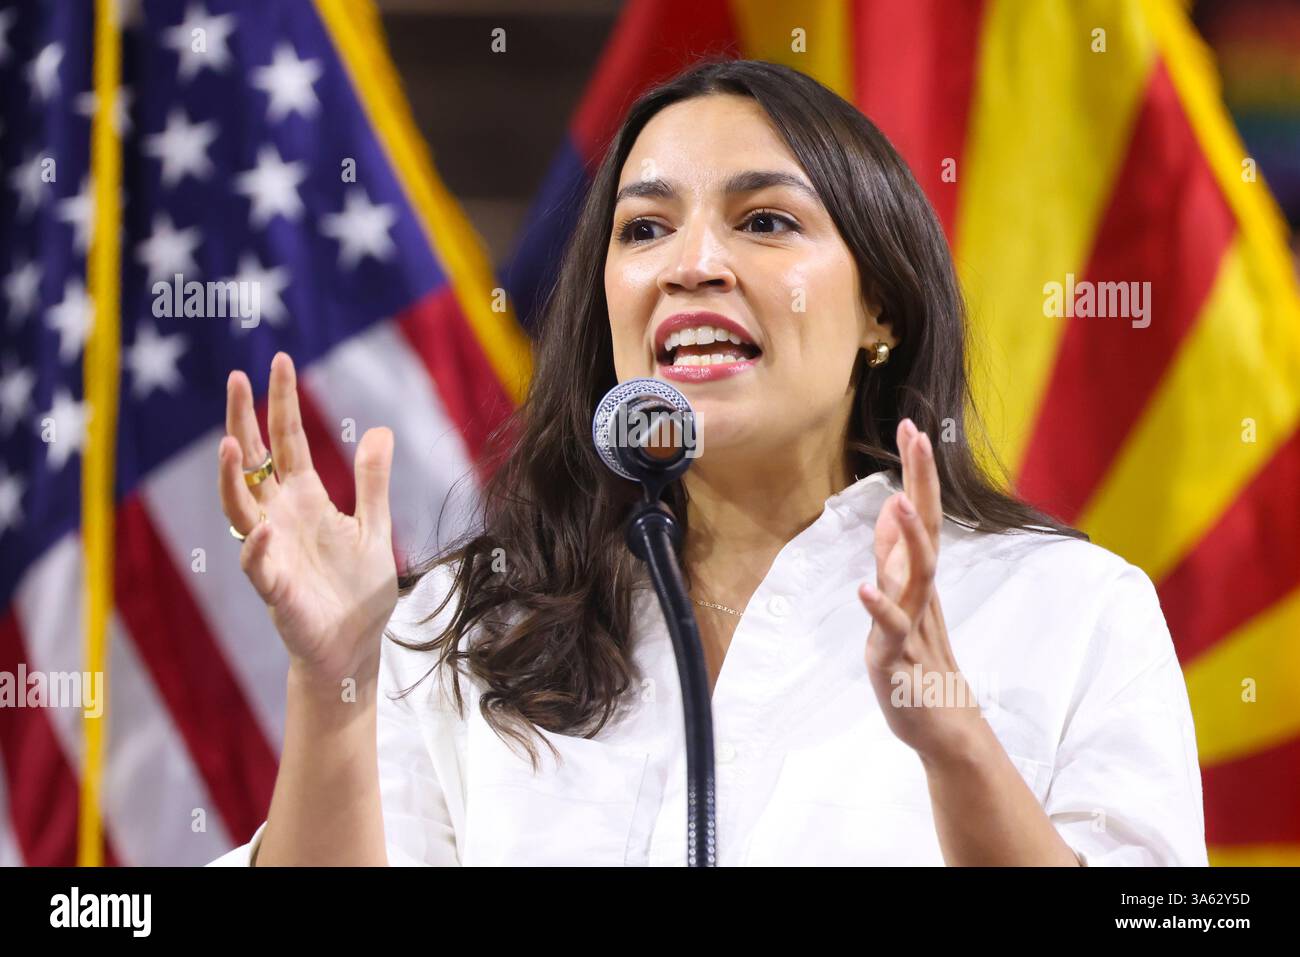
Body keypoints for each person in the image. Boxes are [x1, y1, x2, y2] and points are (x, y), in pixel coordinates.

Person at [208, 60, 1206, 866]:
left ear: (881, 310)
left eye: (764, 220)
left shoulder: (1067, 609)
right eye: (643, 229)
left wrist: (956, 752)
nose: (691, 263)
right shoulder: (462, 621)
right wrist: (332, 685)